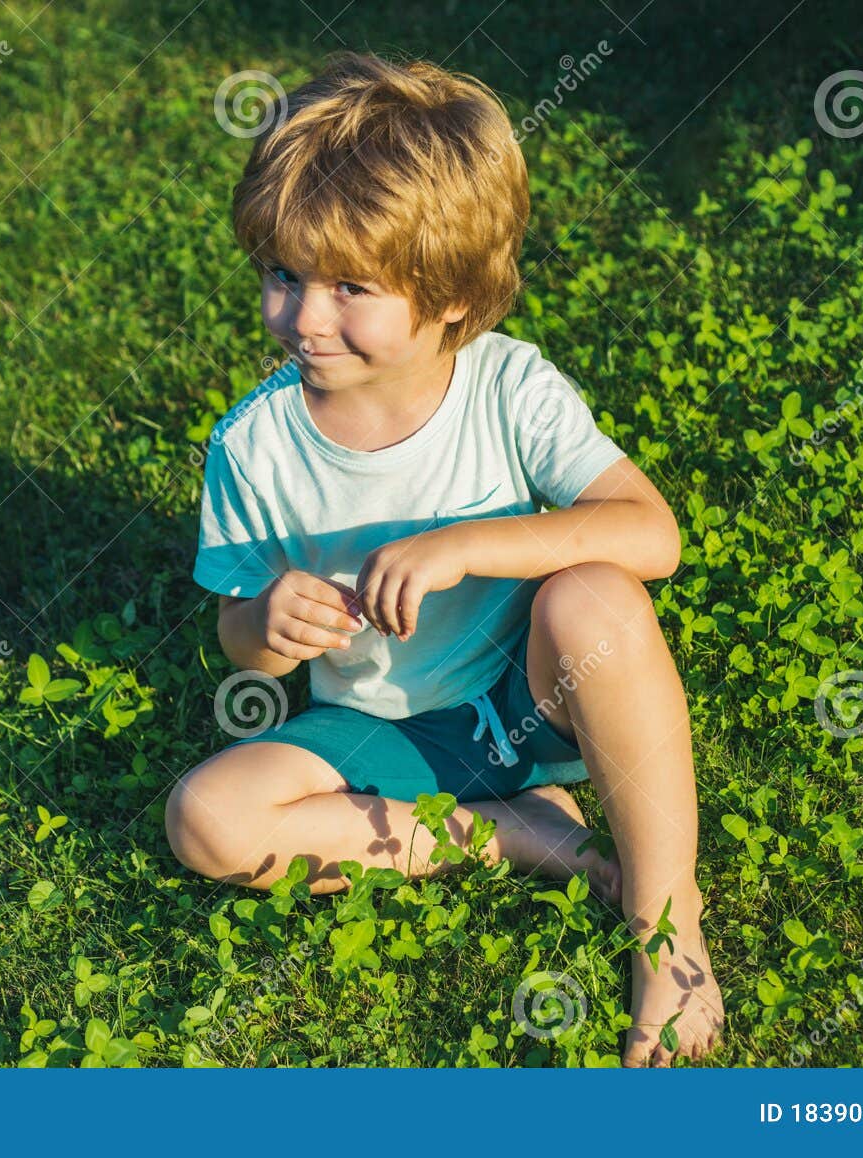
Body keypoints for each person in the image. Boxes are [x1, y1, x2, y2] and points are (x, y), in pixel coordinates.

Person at [166, 49, 723, 1066]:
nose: (304, 316)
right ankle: (511, 835)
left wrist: (468, 545)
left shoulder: (507, 390)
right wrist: (267, 626)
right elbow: (242, 646)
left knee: (597, 598)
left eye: (350, 287)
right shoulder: (253, 444)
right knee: (208, 819)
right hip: (376, 727)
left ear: (453, 297)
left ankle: (667, 922)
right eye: (283, 275)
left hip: (534, 697)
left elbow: (652, 534)